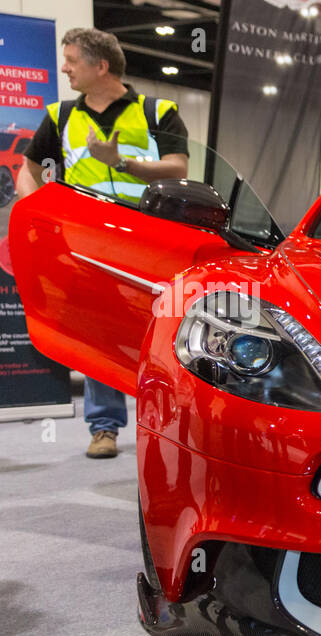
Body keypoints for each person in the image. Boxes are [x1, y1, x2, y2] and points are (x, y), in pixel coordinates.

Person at [17, 28, 189, 459]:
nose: (64, 68)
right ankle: (105, 427)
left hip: (151, 240)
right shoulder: (60, 116)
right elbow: (29, 168)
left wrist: (123, 163)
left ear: (101, 65)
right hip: (88, 242)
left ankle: (172, 425)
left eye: (72, 60)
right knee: (99, 330)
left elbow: (178, 168)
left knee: (165, 331)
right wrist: (34, 209)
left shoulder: (157, 110)